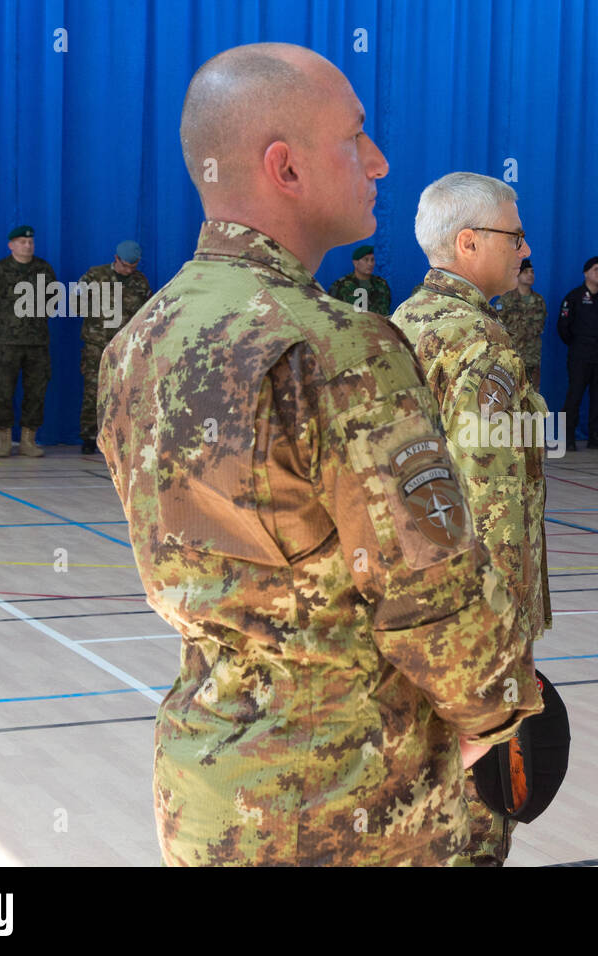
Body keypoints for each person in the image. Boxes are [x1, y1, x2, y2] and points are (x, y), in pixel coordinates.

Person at [98, 43, 540, 867]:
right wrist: (506, 715)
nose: (378, 162)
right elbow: (430, 592)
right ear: (286, 168)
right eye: (356, 138)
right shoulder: (337, 347)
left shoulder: (140, 342)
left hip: (212, 787)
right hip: (360, 805)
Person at [390, 171, 551, 866]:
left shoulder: (394, 327)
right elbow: (493, 507)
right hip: (469, 630)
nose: (524, 249)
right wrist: (505, 640)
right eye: (514, 236)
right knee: (477, 817)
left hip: (402, 612)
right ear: (468, 242)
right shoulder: (481, 346)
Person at [0, 225, 57, 457]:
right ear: (11, 245)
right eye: (22, 242)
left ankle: (28, 440)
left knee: (36, 391)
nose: (27, 246)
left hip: (37, 343)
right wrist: (1, 323)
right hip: (6, 344)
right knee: (3, 390)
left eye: (30, 242)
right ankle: (3, 440)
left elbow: (53, 298)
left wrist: (38, 320)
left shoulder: (44, 269)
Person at [77, 240, 151, 454]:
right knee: (93, 391)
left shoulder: (140, 282)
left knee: (124, 392)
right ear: (116, 258)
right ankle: (89, 436)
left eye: (133, 267)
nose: (129, 271)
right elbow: (75, 303)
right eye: (125, 265)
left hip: (126, 347)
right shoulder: (94, 276)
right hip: (96, 345)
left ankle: (120, 436)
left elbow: (145, 313)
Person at [558, 256, 598, 450]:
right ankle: (568, 437)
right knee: (574, 396)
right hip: (580, 355)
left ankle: (595, 435)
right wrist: (578, 344)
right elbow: (563, 328)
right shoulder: (573, 297)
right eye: (595, 269)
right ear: (586, 273)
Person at [497, 258, 547, 389]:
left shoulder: (539, 301)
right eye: (526, 272)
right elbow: (498, 329)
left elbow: (540, 326)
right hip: (511, 358)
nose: (530, 275)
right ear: (517, 275)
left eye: (532, 272)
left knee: (533, 398)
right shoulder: (505, 301)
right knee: (511, 396)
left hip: (532, 358)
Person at [327, 243, 392, 314]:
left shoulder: (381, 284)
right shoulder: (340, 286)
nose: (370, 264)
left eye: (372, 260)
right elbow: (332, 312)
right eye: (366, 260)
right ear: (355, 263)